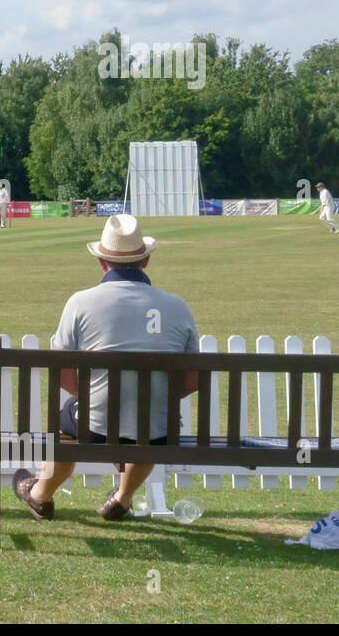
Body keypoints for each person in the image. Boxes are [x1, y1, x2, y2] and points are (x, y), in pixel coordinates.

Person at [12, 214, 199, 522]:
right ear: (146, 260)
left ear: (102, 262)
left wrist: (92, 396)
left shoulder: (80, 302)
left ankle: (40, 495)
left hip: (95, 427)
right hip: (158, 431)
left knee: (68, 422)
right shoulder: (176, 305)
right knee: (148, 420)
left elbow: (62, 372)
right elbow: (192, 380)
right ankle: (122, 499)